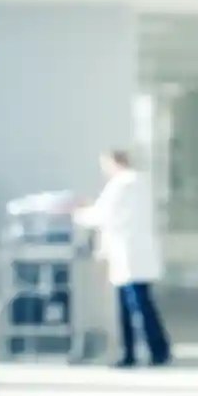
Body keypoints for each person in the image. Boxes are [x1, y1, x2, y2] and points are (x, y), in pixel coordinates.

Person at [75, 149, 173, 368]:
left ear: (114, 162)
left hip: (128, 254)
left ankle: (140, 353)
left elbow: (101, 215)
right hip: (135, 254)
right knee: (138, 305)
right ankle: (149, 351)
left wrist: (77, 212)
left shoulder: (121, 184)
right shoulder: (140, 182)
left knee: (135, 305)